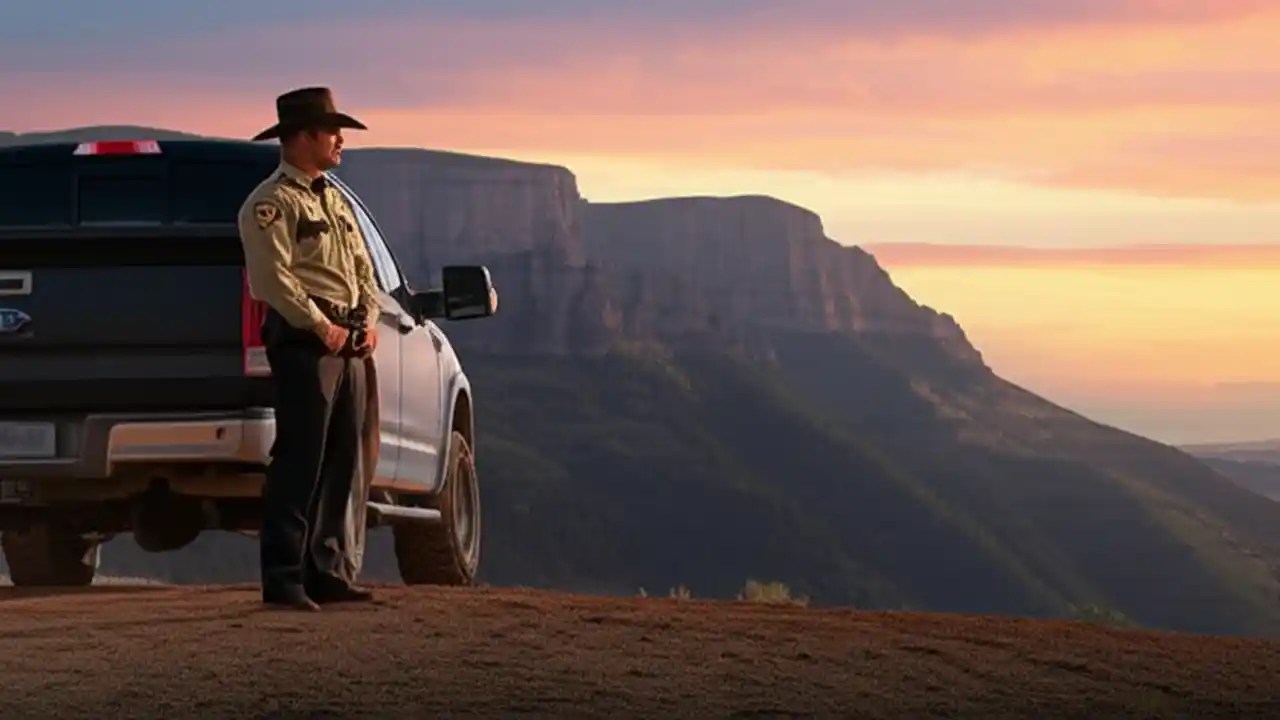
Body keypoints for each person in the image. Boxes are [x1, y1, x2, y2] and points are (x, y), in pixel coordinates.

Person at [237, 87, 383, 611]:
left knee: (345, 457)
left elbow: (361, 269)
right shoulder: (270, 204)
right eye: (331, 131)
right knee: (300, 458)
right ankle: (283, 578)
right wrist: (322, 327)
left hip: (351, 343)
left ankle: (326, 569)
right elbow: (272, 281)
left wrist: (367, 318)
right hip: (307, 343)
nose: (340, 139)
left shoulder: (336, 198)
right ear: (302, 137)